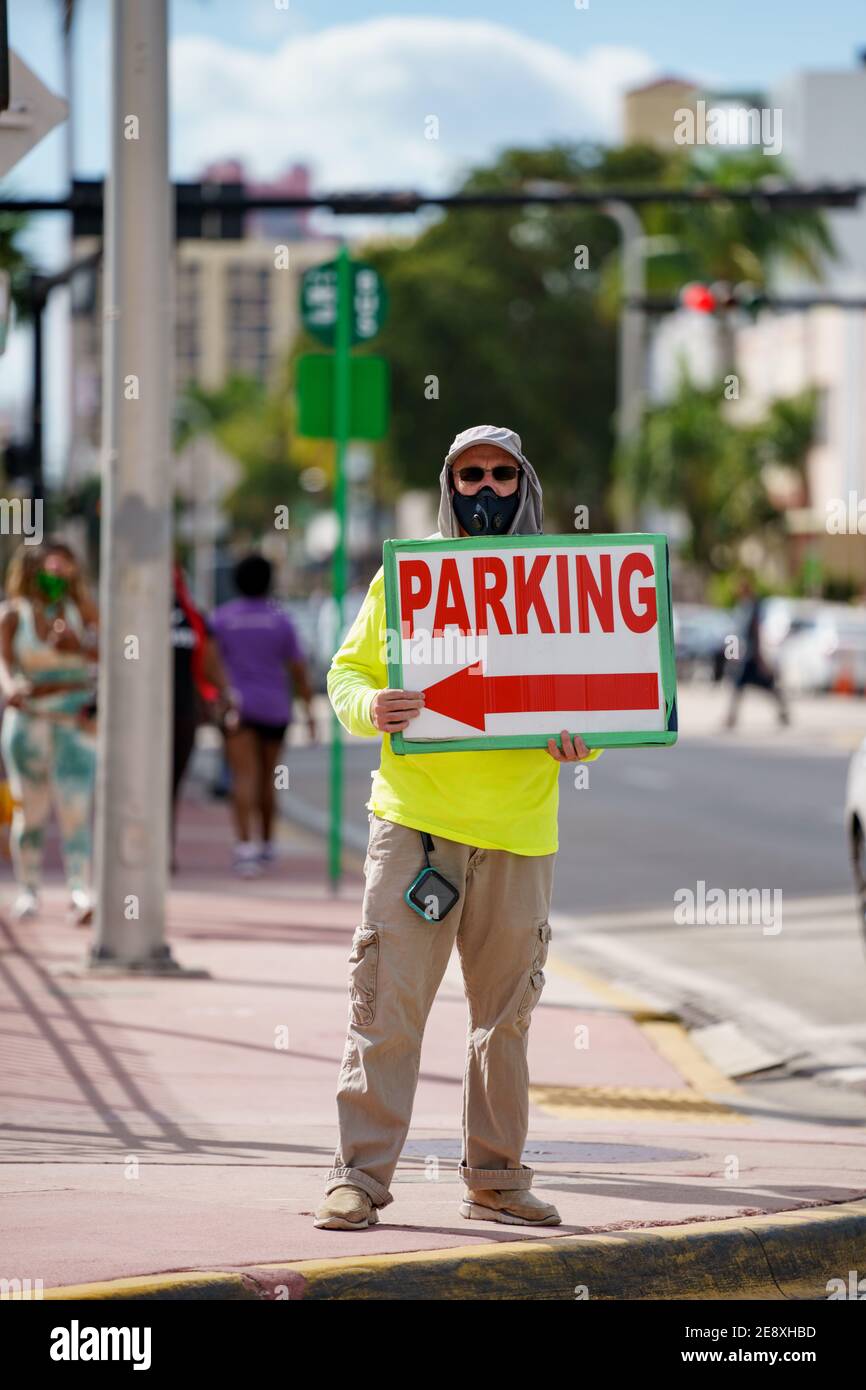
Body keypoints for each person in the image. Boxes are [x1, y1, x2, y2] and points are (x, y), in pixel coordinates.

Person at [314, 424, 603, 1233]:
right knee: (386, 1009)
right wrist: (372, 706)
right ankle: (359, 1180)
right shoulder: (406, 579)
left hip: (521, 832)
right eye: (469, 474)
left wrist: (589, 737)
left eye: (501, 476)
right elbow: (348, 670)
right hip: (417, 828)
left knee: (505, 1019)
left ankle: (498, 1181)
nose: (484, 490)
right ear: (449, 484)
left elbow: (600, 692)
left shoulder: (564, 583)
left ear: (525, 485)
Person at [0, 540, 99, 925]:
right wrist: (12, 691)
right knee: (31, 810)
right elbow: (4, 666)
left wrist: (83, 647)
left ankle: (80, 889)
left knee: (75, 809)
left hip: (73, 719)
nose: (56, 577)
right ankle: (29, 890)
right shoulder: (12, 615)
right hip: (29, 723)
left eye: (64, 568)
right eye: (49, 569)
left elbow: (121, 651)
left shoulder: (82, 611)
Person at [210, 553, 316, 876]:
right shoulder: (280, 619)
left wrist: (220, 696)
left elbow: (210, 663)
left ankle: (245, 848)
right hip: (275, 708)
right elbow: (298, 670)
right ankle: (268, 845)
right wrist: (309, 713)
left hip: (239, 708)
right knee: (269, 779)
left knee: (244, 777)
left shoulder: (221, 619)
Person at [171, 561, 235, 871]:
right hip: (139, 724)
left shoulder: (193, 618)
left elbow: (209, 661)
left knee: (170, 786)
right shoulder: (132, 612)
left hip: (183, 714)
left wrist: (224, 695)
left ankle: (163, 848)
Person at [724, 575, 790, 729]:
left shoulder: (753, 607)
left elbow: (755, 632)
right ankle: (731, 718)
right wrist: (732, 654)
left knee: (764, 685)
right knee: (739, 686)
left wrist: (760, 657)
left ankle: (783, 711)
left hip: (751, 656)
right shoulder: (742, 606)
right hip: (744, 656)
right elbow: (736, 633)